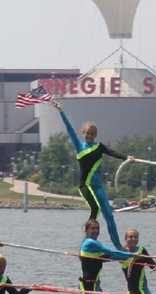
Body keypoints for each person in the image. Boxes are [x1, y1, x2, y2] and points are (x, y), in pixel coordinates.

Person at [54, 100, 131, 250]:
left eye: (92, 134)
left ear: (95, 135)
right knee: (95, 209)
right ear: (84, 134)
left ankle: (118, 246)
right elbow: (69, 129)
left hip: (98, 187)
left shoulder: (99, 147)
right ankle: (86, 242)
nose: (89, 135)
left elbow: (112, 152)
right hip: (85, 186)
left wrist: (127, 158)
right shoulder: (79, 146)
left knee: (109, 215)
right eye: (87, 133)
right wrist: (61, 112)